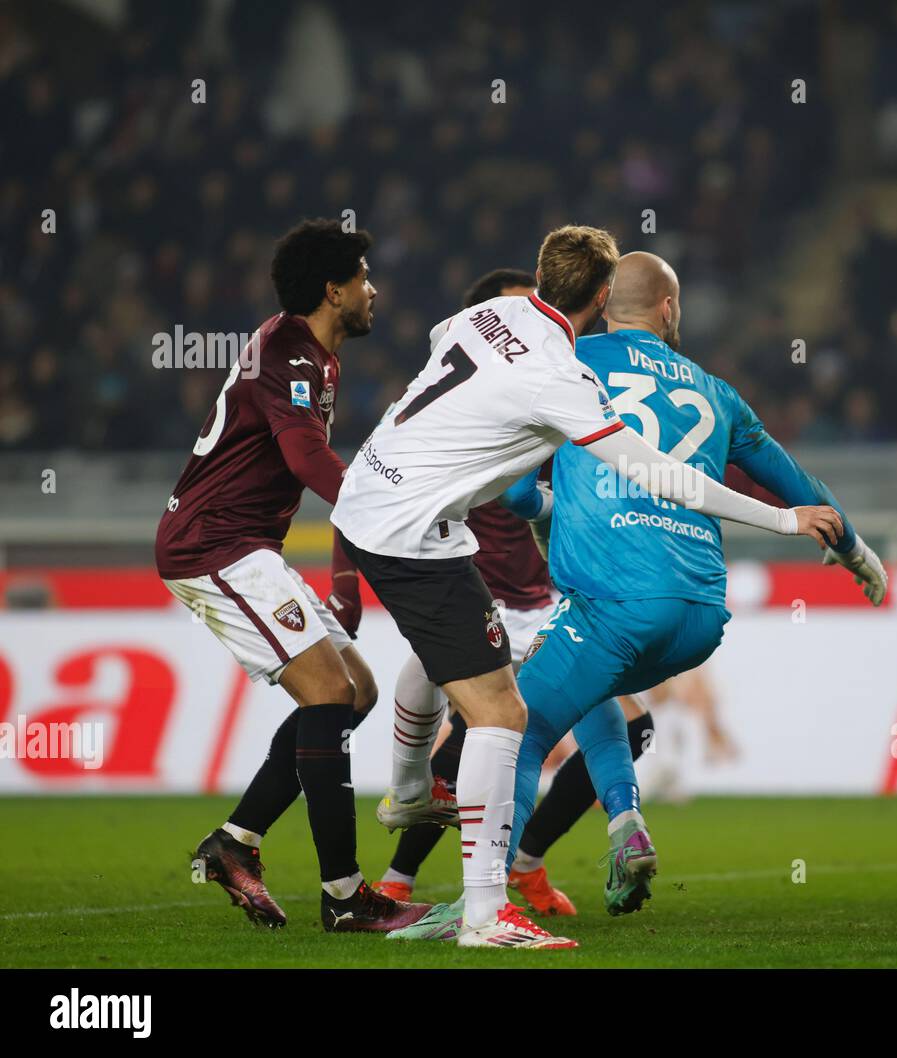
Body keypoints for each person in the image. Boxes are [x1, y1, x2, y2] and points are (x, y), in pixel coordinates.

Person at [332, 227, 843, 949]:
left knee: (459, 679)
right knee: (504, 717)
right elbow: (665, 475)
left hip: (377, 497)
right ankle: (482, 912)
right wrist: (785, 519)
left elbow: (446, 340)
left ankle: (413, 797)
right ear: (603, 298)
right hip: (412, 532)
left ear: (539, 275)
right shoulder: (560, 377)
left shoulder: (487, 317)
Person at [158, 219, 430, 933]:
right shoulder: (288, 352)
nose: (375, 290)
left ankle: (234, 842)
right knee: (331, 689)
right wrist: (387, 524)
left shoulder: (309, 353)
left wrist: (347, 570)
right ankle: (344, 896)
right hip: (213, 545)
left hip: (247, 546)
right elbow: (312, 463)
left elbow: (317, 467)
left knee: (353, 692)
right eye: (365, 278)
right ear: (334, 291)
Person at [370, 268, 655, 918]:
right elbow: (381, 478)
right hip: (481, 601)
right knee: (478, 734)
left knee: (628, 727)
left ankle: (523, 860)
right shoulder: (465, 403)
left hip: (549, 605)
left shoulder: (551, 396)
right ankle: (400, 877)